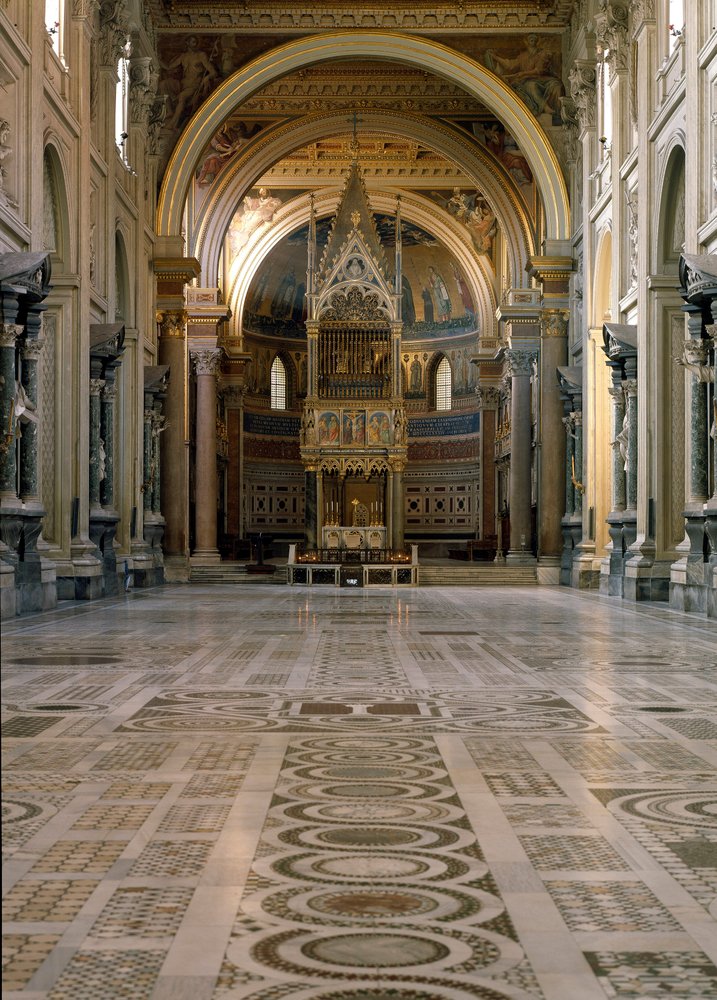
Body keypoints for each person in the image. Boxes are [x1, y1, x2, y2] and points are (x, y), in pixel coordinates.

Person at [484, 34, 564, 119]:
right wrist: (495, 57)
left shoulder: (542, 54)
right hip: (527, 81)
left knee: (557, 85)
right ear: (526, 42)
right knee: (531, 85)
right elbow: (510, 65)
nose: (532, 39)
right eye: (530, 38)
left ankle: (559, 115)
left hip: (541, 79)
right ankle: (545, 107)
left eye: (534, 38)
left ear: (537, 41)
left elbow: (539, 70)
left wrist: (523, 73)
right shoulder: (523, 56)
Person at [164, 36, 218, 130]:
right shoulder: (183, 56)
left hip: (194, 85)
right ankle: (169, 111)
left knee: (182, 97)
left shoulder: (201, 55)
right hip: (183, 84)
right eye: (193, 41)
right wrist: (157, 59)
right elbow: (169, 67)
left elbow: (213, 72)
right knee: (163, 84)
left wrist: (207, 78)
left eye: (196, 42)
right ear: (187, 43)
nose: (195, 44)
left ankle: (172, 123)